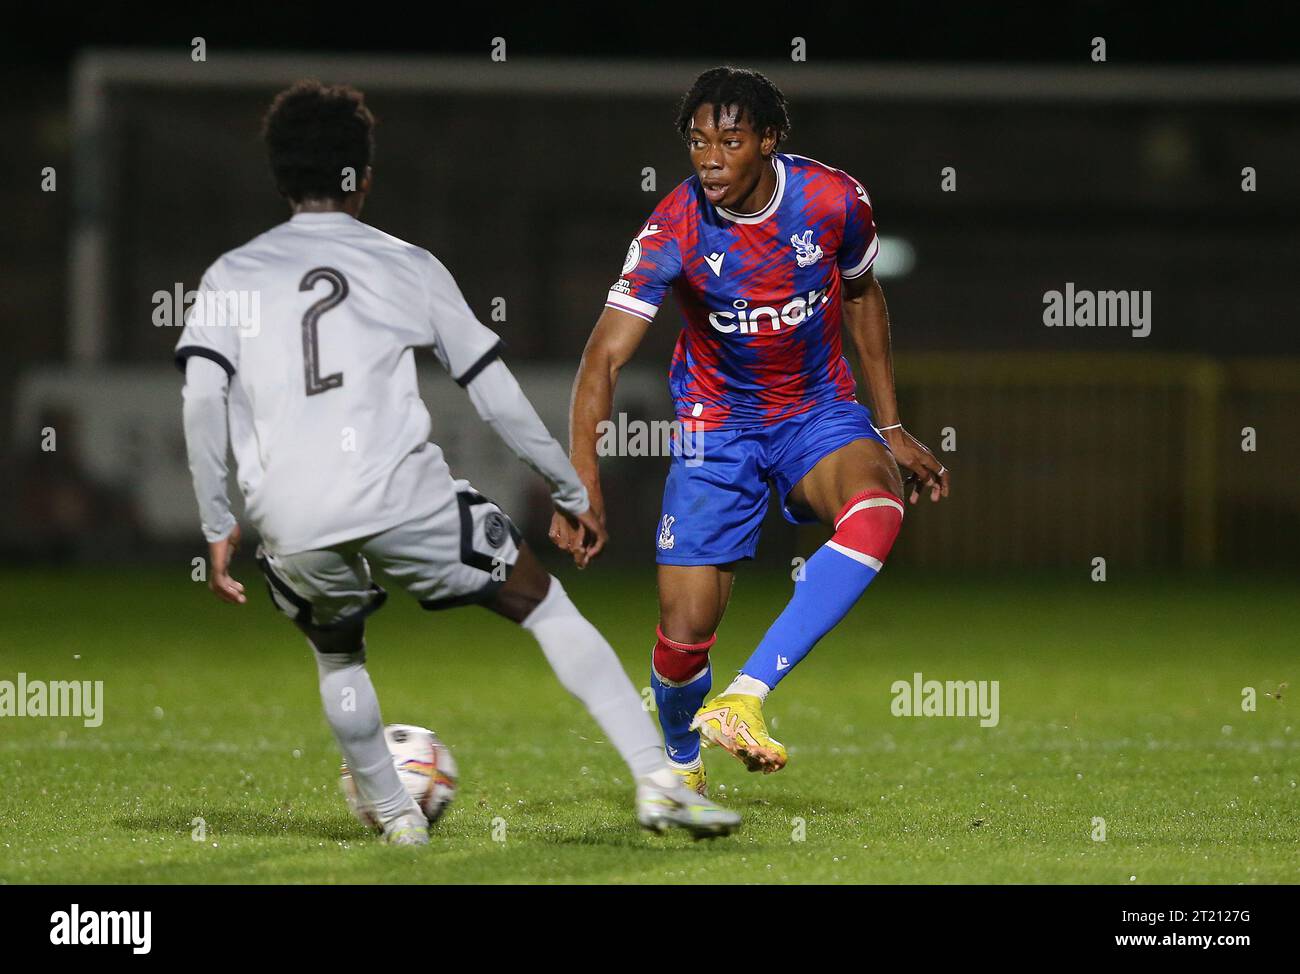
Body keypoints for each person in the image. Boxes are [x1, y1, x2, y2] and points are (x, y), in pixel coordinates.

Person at [176, 80, 740, 844]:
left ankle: (400, 825)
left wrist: (217, 521)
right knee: (545, 607)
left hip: (289, 512)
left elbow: (203, 402)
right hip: (401, 495)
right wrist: (569, 486)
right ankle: (657, 783)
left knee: (338, 655)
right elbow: (496, 396)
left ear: (280, 177)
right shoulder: (405, 263)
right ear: (363, 175)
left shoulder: (230, 274)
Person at [553, 66, 950, 797]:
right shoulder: (673, 228)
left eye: (729, 141)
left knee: (878, 506)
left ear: (769, 140)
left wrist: (887, 422)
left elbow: (861, 290)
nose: (709, 158)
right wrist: (580, 478)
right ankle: (678, 759)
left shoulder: (833, 199)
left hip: (815, 413)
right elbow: (602, 357)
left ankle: (745, 696)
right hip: (715, 430)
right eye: (698, 141)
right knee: (681, 641)